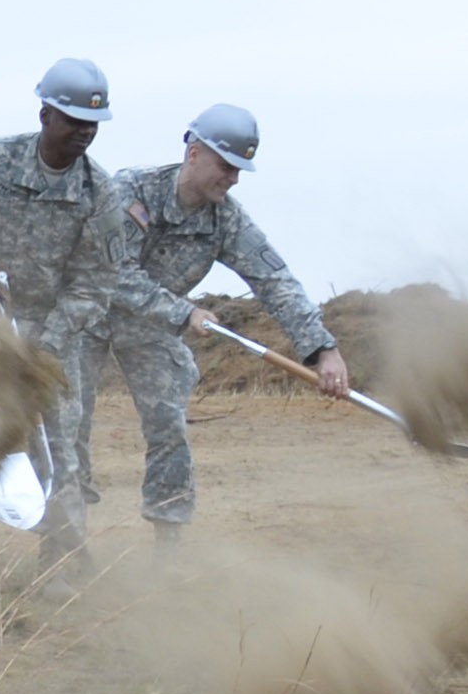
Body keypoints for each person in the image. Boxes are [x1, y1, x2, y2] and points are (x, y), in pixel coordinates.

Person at [76, 104, 350, 548]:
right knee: (69, 424)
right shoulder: (131, 190)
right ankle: (65, 543)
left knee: (169, 425)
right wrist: (184, 313)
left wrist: (322, 350)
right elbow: (112, 273)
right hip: (85, 315)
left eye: (241, 169)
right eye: (226, 166)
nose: (234, 178)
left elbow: (274, 279)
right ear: (194, 153)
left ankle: (169, 546)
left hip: (149, 328)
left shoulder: (226, 220)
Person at [0, 57, 137, 599]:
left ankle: (59, 561)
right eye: (72, 121)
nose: (83, 133)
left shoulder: (99, 196)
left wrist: (42, 347)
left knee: (63, 446)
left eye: (92, 124)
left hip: (48, 337)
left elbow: (96, 285)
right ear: (45, 114)